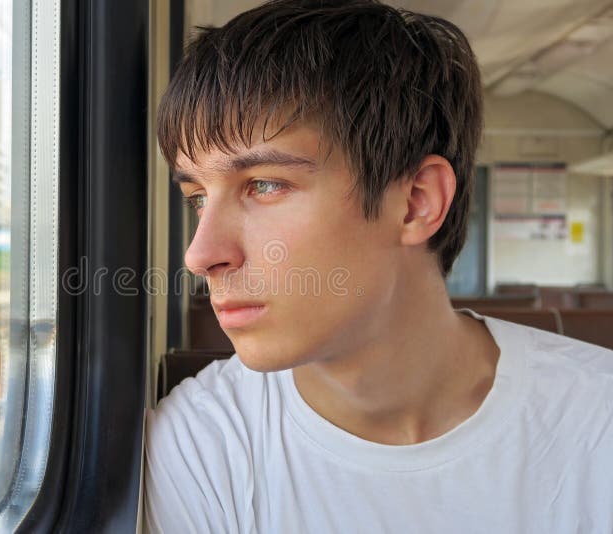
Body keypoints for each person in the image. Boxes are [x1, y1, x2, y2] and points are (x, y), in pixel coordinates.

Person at [144, 1, 613, 532]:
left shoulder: (597, 423)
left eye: (266, 185)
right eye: (197, 197)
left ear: (415, 203)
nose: (200, 255)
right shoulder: (201, 448)